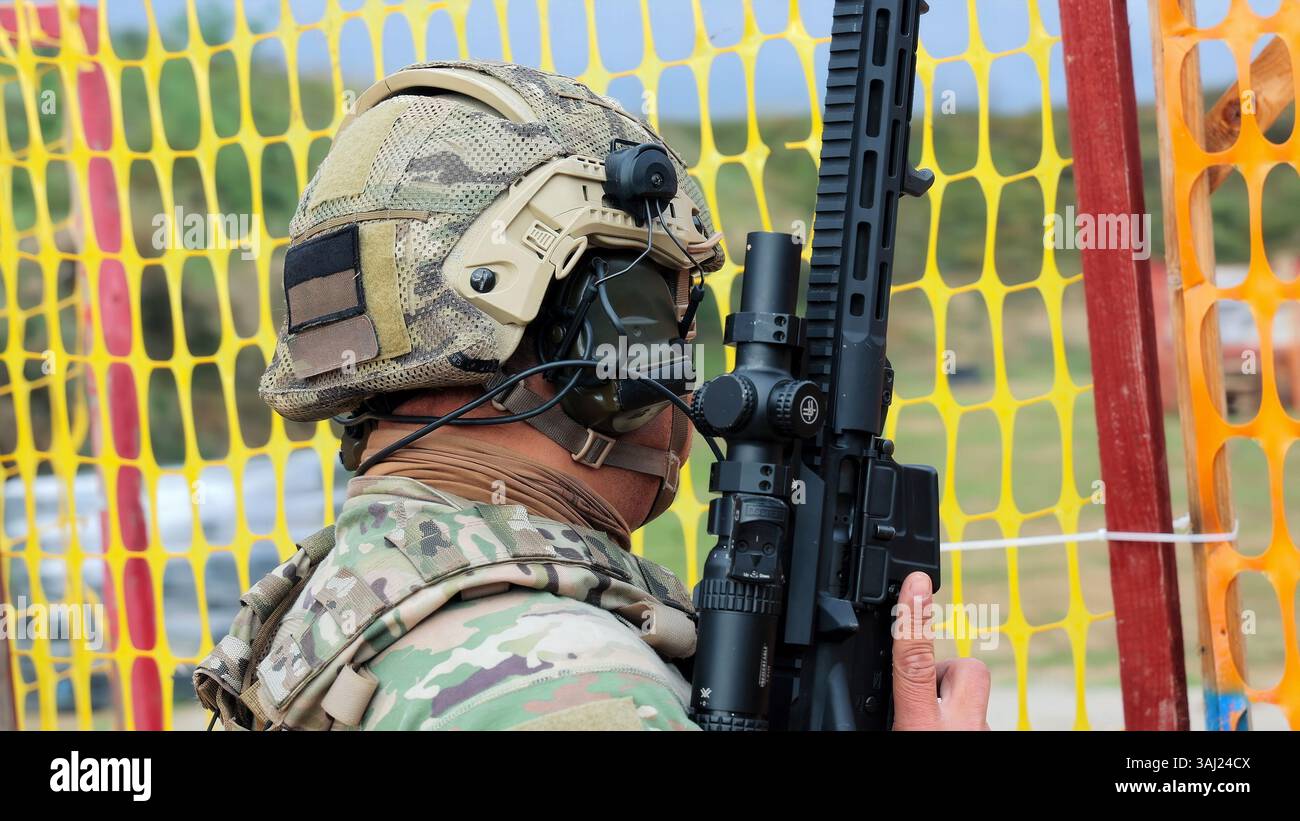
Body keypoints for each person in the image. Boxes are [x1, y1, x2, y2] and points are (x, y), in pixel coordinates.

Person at [194, 59, 989, 731]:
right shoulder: (572, 687)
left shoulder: (330, 616)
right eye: (673, 313)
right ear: (611, 346)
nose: (683, 366)